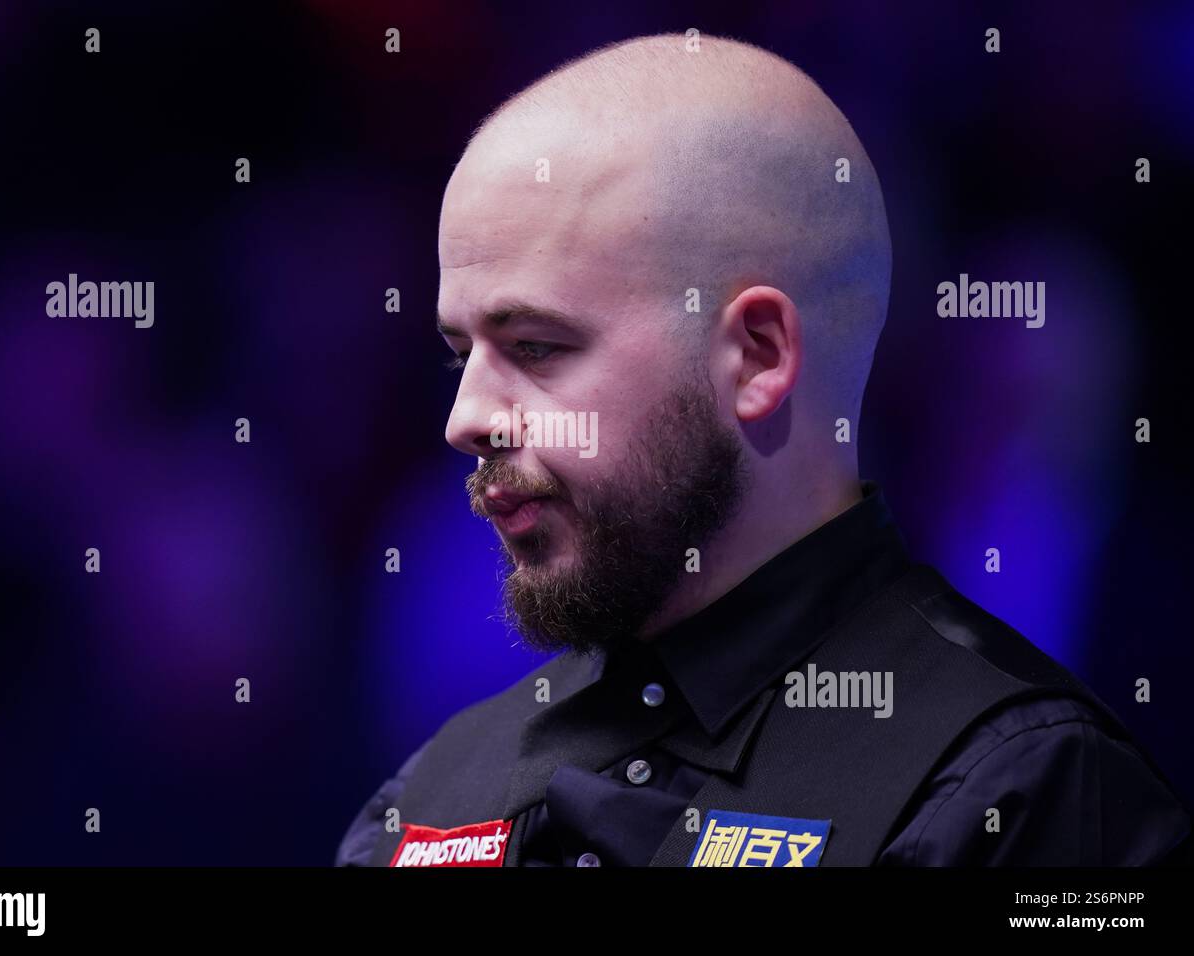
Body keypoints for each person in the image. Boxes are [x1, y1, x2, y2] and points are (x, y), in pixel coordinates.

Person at [336, 32, 1190, 867]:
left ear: (757, 357)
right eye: (460, 354)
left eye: (536, 346)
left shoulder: (1030, 792)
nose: (465, 416)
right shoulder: (426, 803)